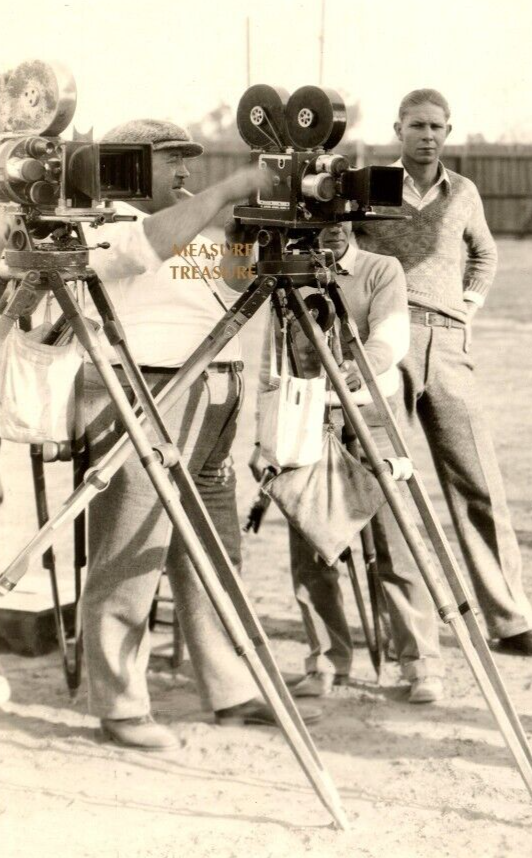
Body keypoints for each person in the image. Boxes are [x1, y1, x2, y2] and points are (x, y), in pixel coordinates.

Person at [78, 119, 319, 750]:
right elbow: (143, 251)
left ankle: (230, 688)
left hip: (215, 391)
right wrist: (226, 192)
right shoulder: (100, 221)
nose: (187, 173)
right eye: (172, 160)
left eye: (191, 161)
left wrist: (249, 232)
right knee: (132, 549)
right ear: (128, 166)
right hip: (143, 391)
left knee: (213, 551)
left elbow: (230, 288)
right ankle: (120, 705)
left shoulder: (191, 226)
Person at [354, 89, 532, 659]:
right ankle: (412, 642)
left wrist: (466, 306)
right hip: (386, 341)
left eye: (437, 127)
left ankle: (512, 620)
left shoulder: (464, 192)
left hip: (447, 344)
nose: (428, 135)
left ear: (449, 132)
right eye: (417, 125)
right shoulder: (368, 184)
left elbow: (485, 255)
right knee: (388, 482)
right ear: (397, 128)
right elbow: (342, 255)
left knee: (477, 479)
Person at [251, 222, 445, 704]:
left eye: (338, 220)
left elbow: (392, 337)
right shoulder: (290, 274)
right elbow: (271, 358)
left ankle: (420, 663)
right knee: (312, 549)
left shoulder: (381, 270)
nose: (331, 230)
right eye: (318, 222)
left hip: (373, 418)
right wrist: (265, 436)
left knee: (397, 546)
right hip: (305, 422)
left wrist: (359, 366)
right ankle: (324, 661)